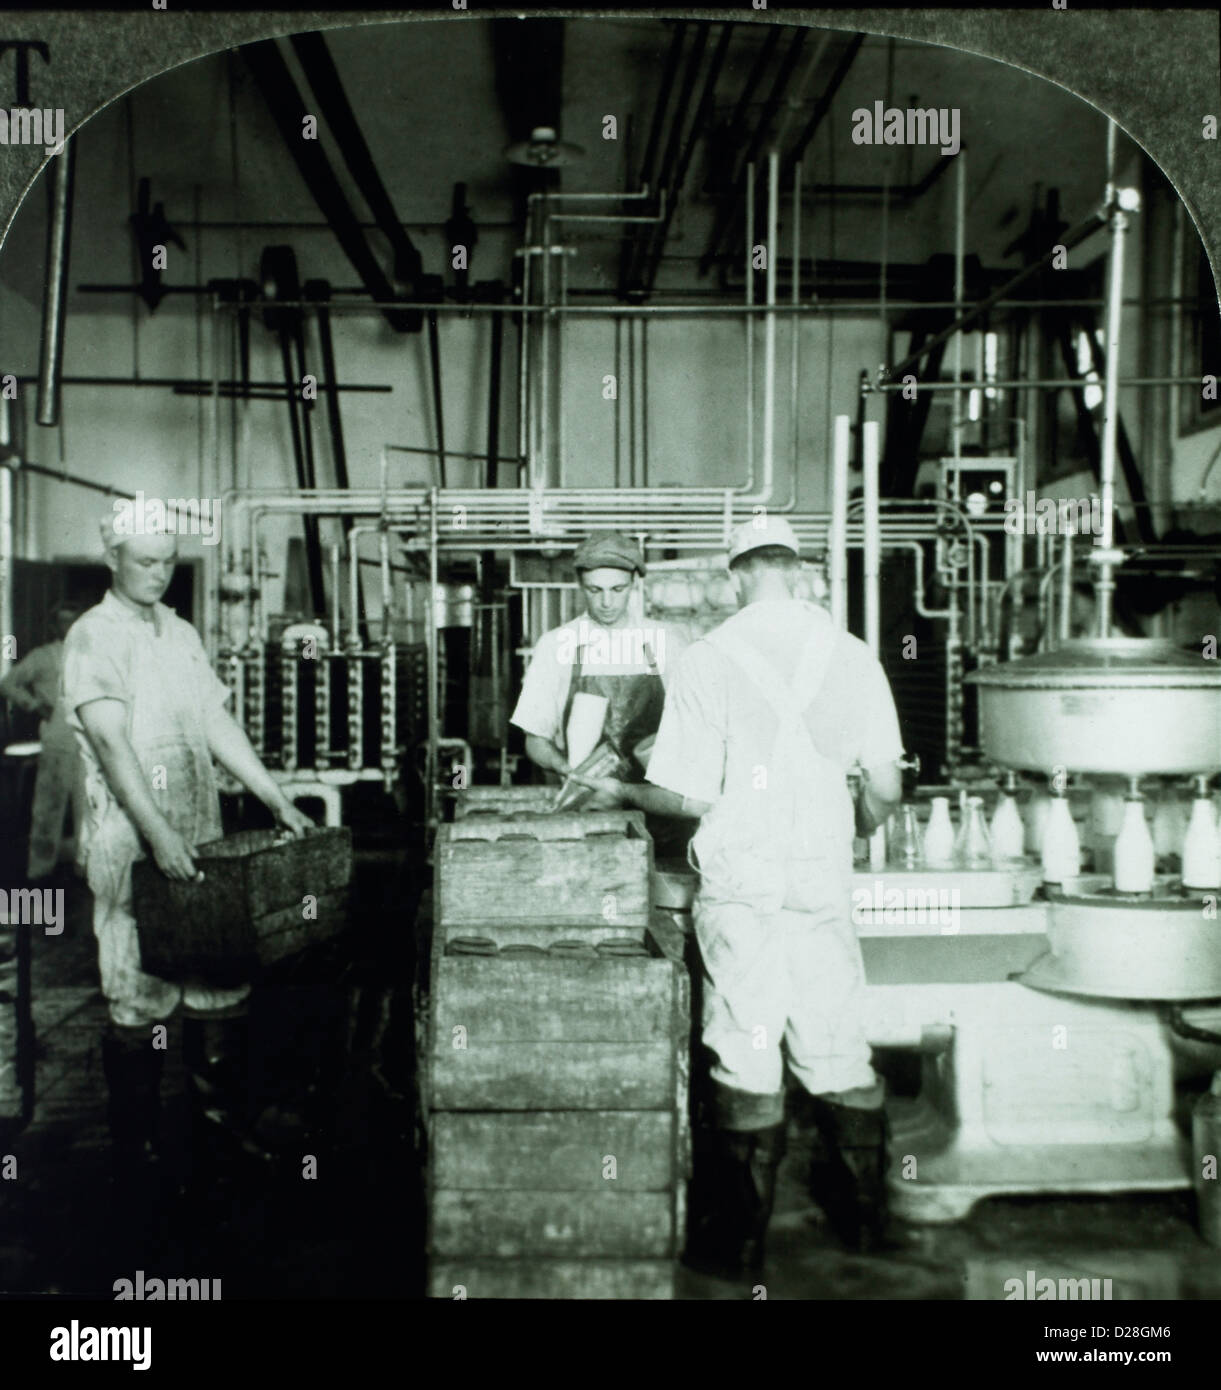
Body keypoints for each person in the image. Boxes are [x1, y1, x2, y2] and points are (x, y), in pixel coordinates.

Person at [575, 514, 905, 1277]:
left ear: (733, 578)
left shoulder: (708, 657)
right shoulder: (855, 656)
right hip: (821, 870)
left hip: (743, 877)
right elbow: (885, 785)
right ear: (799, 570)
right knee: (834, 1037)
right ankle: (863, 1227)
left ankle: (738, 1245)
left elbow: (687, 798)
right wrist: (848, 821)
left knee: (747, 1044)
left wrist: (614, 792)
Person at [61, 517, 313, 1204]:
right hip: (130, 842)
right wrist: (157, 835)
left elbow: (214, 724)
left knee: (218, 983)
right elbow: (113, 749)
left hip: (202, 836)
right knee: (137, 989)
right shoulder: (95, 635)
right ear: (111, 557)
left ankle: (219, 1134)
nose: (158, 572)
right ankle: (135, 1152)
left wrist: (274, 798)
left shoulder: (179, 632)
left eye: (168, 560)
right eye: (144, 560)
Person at [509, 530, 689, 852]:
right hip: (585, 813)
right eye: (595, 590)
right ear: (580, 585)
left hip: (658, 814)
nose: (607, 602)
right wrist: (573, 773)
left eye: (618, 589)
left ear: (634, 583)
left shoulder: (667, 642)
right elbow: (535, 740)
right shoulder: (557, 645)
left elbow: (692, 731)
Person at [0, 602, 83, 880]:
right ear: (53, 626)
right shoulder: (42, 656)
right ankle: (39, 871)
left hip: (90, 743)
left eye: (73, 620)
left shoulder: (92, 654)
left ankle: (88, 868)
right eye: (62, 621)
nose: (68, 626)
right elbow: (8, 683)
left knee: (91, 809)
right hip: (58, 739)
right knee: (48, 809)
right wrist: (35, 705)